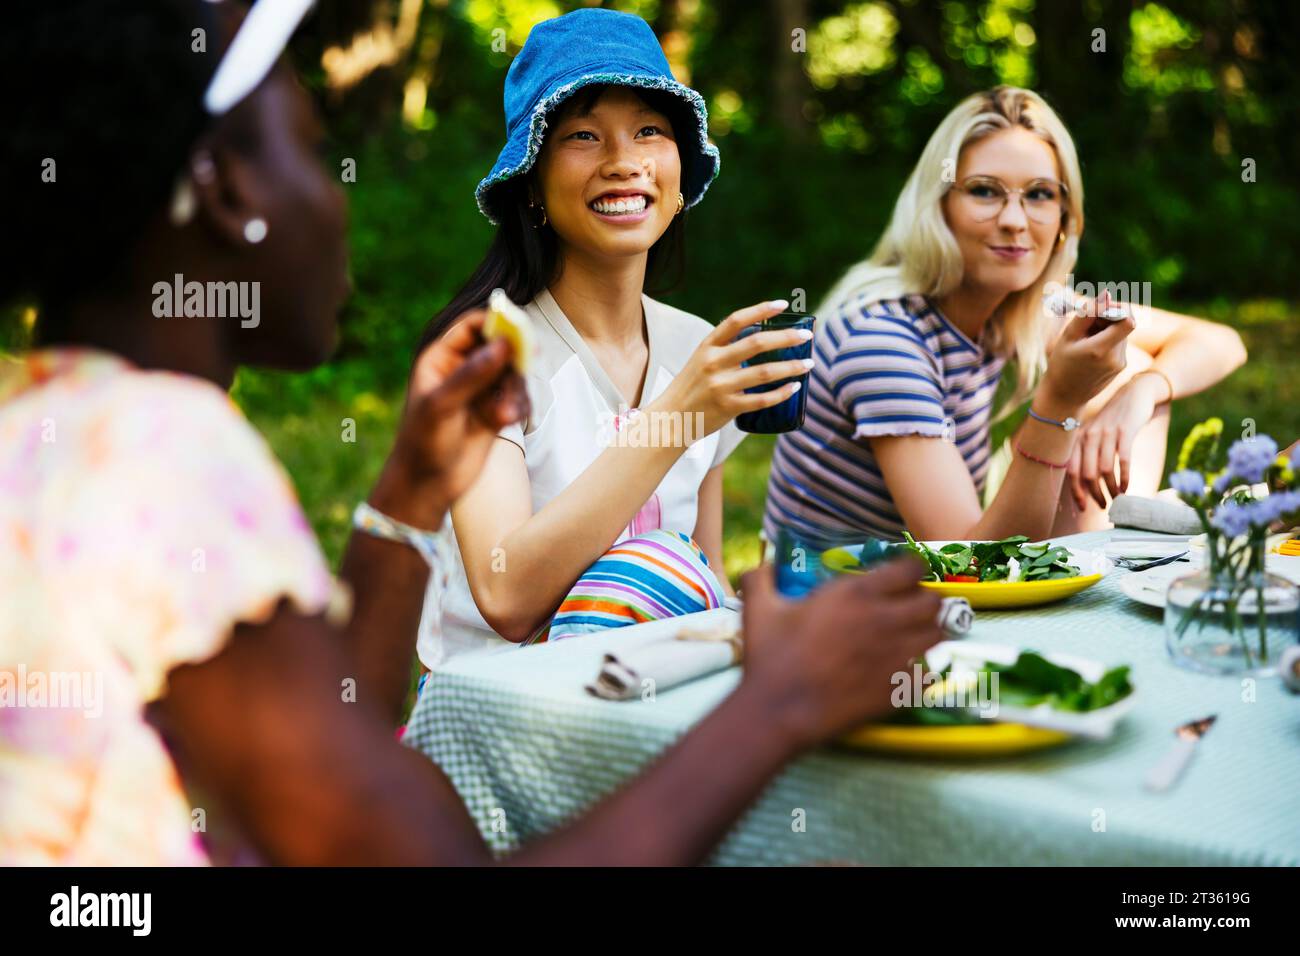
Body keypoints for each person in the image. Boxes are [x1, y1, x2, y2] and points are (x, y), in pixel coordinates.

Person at [0, 0, 940, 866]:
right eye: (315, 152)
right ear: (225, 193)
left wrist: (406, 495)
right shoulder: (154, 457)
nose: (340, 200)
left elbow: (337, 746)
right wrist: (784, 703)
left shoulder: (73, 428)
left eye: (650, 133)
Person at [412, 8, 815, 668]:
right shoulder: (484, 352)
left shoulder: (695, 349)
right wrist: (678, 416)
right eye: (583, 137)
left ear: (681, 177)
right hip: (501, 712)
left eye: (649, 131)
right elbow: (505, 594)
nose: (625, 163)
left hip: (647, 699)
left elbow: (701, 584)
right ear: (533, 184)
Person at [763, 86, 1247, 550]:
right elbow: (969, 560)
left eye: (1038, 195)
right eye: (984, 191)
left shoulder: (1020, 305)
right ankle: (1107, 567)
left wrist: (1140, 394)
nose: (1015, 220)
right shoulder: (883, 339)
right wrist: (1059, 404)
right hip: (835, 604)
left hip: (927, 581)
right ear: (938, 206)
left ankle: (1107, 557)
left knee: (1134, 366)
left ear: (1064, 218)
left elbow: (1218, 341)